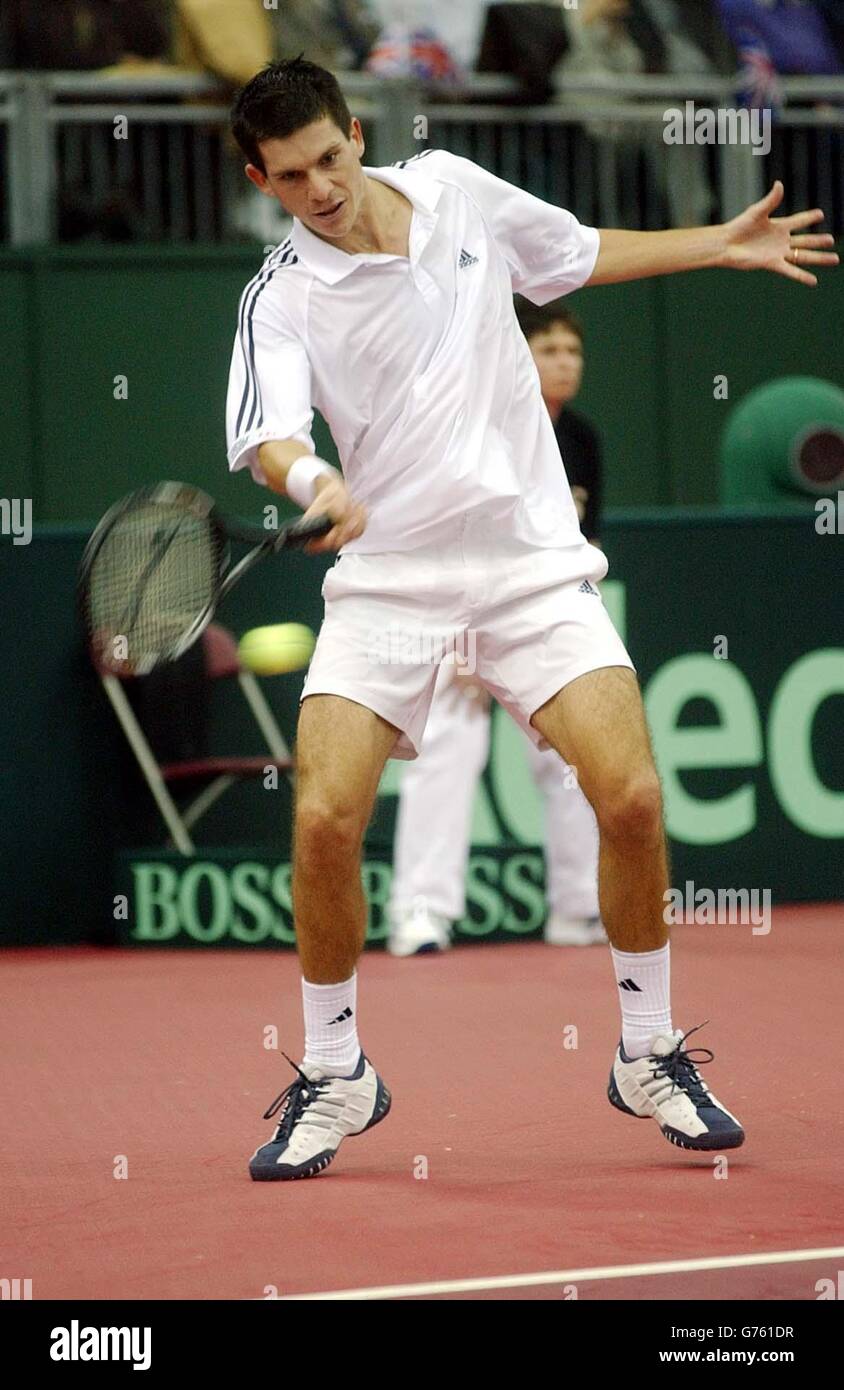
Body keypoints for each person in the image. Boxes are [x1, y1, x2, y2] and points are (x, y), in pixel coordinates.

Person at [225, 57, 837, 1181]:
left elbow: (573, 251)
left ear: (355, 134)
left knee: (636, 797)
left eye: (329, 157)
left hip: (529, 565)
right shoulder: (281, 294)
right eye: (292, 174)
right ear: (261, 179)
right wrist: (315, 484)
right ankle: (334, 1071)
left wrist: (717, 241)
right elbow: (269, 435)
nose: (319, 186)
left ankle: (647, 1051)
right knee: (321, 819)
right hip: (391, 576)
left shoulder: (456, 188)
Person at [387, 301, 608, 956]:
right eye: (549, 351)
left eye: (574, 351)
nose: (565, 363)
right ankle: (420, 915)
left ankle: (579, 909)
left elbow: (585, 543)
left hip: (544, 611)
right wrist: (466, 639)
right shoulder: (480, 427)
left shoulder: (583, 439)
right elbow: (451, 537)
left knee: (573, 756)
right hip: (455, 606)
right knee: (447, 746)